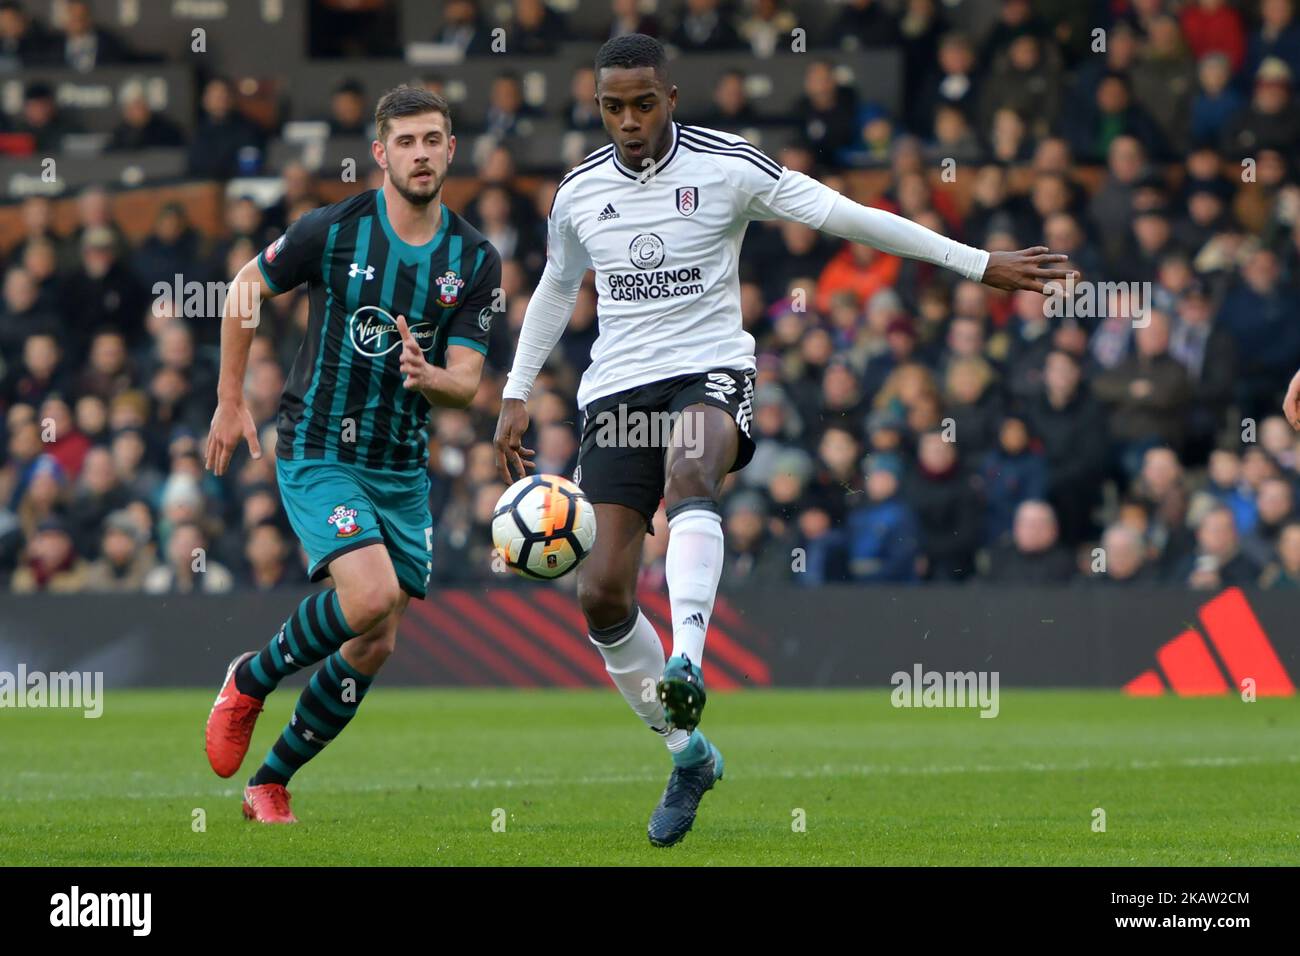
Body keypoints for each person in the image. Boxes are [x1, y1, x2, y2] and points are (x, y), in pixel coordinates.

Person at [492, 34, 1075, 848]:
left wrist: (976, 264)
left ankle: (688, 662)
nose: (627, 120)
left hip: (707, 370)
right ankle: (686, 751)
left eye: (642, 103)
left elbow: (852, 218)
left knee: (694, 466)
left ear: (672, 98)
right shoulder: (579, 193)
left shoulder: (731, 166)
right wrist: (517, 391)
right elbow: (557, 285)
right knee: (600, 594)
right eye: (612, 107)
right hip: (616, 392)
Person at [203, 86, 500, 824]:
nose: (421, 153)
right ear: (380, 154)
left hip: (400, 465)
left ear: (451, 149)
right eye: (405, 142)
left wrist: (436, 379)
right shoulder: (333, 231)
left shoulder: (475, 258)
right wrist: (231, 399)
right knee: (370, 598)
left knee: (376, 640)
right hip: (318, 446)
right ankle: (251, 677)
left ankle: (269, 782)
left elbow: (467, 379)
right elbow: (245, 289)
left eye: (433, 139)